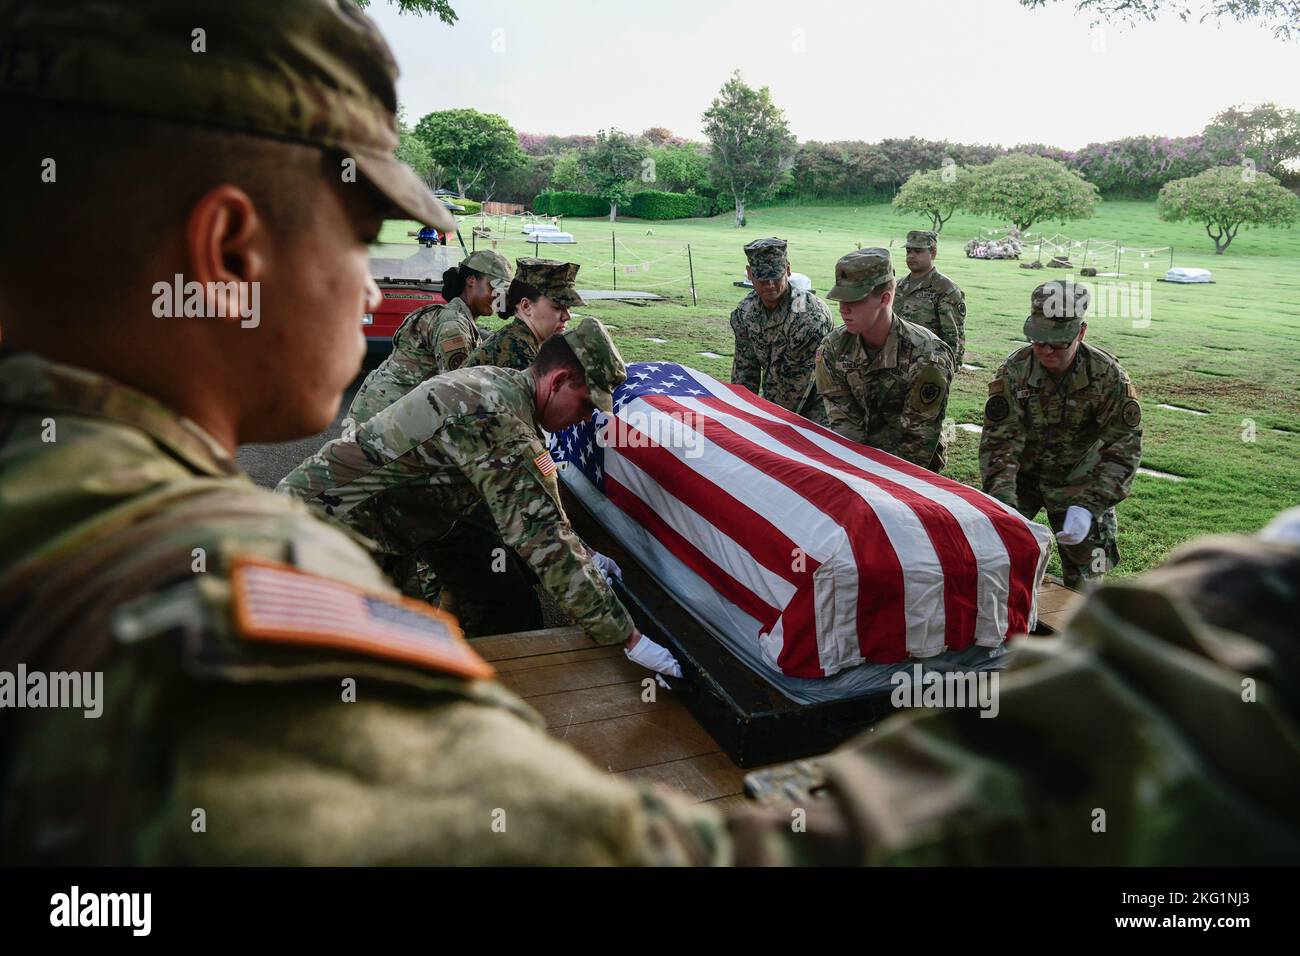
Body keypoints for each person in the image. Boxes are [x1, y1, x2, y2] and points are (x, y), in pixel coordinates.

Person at [277, 316, 681, 677]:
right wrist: (628, 637)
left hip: (370, 527)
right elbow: (540, 536)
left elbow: (530, 501)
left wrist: (587, 554)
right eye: (585, 403)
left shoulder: (501, 386)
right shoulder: (497, 420)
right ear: (557, 381)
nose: (585, 417)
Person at [980, 280, 1142, 590]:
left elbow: (1124, 448)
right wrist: (1003, 504)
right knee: (994, 562)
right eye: (1039, 341)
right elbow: (999, 443)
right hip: (1022, 482)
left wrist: (1090, 505)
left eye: (1058, 342)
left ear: (1081, 333)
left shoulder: (1107, 377)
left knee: (1085, 584)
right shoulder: (1015, 371)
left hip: (1081, 484)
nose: (1046, 350)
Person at [815, 248, 954, 471]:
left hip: (909, 470)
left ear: (885, 298)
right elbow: (844, 426)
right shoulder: (833, 348)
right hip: (854, 461)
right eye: (840, 299)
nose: (843, 309)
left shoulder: (928, 356)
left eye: (854, 300)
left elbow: (916, 444)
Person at [346, 249, 513, 426]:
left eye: (502, 292)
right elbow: (462, 391)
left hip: (391, 416)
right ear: (471, 280)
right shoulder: (452, 324)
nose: (498, 296)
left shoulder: (459, 318)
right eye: (493, 287)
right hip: (382, 422)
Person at [729, 237, 835, 424]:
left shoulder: (810, 317)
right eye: (762, 278)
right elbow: (745, 372)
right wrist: (739, 417)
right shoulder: (744, 312)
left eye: (776, 277)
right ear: (749, 274)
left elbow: (796, 387)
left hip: (815, 409)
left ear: (787, 270)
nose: (770, 285)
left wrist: (765, 423)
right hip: (773, 403)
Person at [463, 258, 580, 370]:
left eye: (568, 307)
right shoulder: (517, 352)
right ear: (526, 306)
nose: (567, 316)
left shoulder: (520, 339)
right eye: (557, 307)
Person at [893, 229, 967, 366]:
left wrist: (949, 368)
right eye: (909, 251)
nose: (911, 256)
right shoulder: (899, 286)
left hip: (927, 366)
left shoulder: (945, 289)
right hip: (894, 365)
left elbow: (953, 337)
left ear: (933, 253)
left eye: (918, 251)